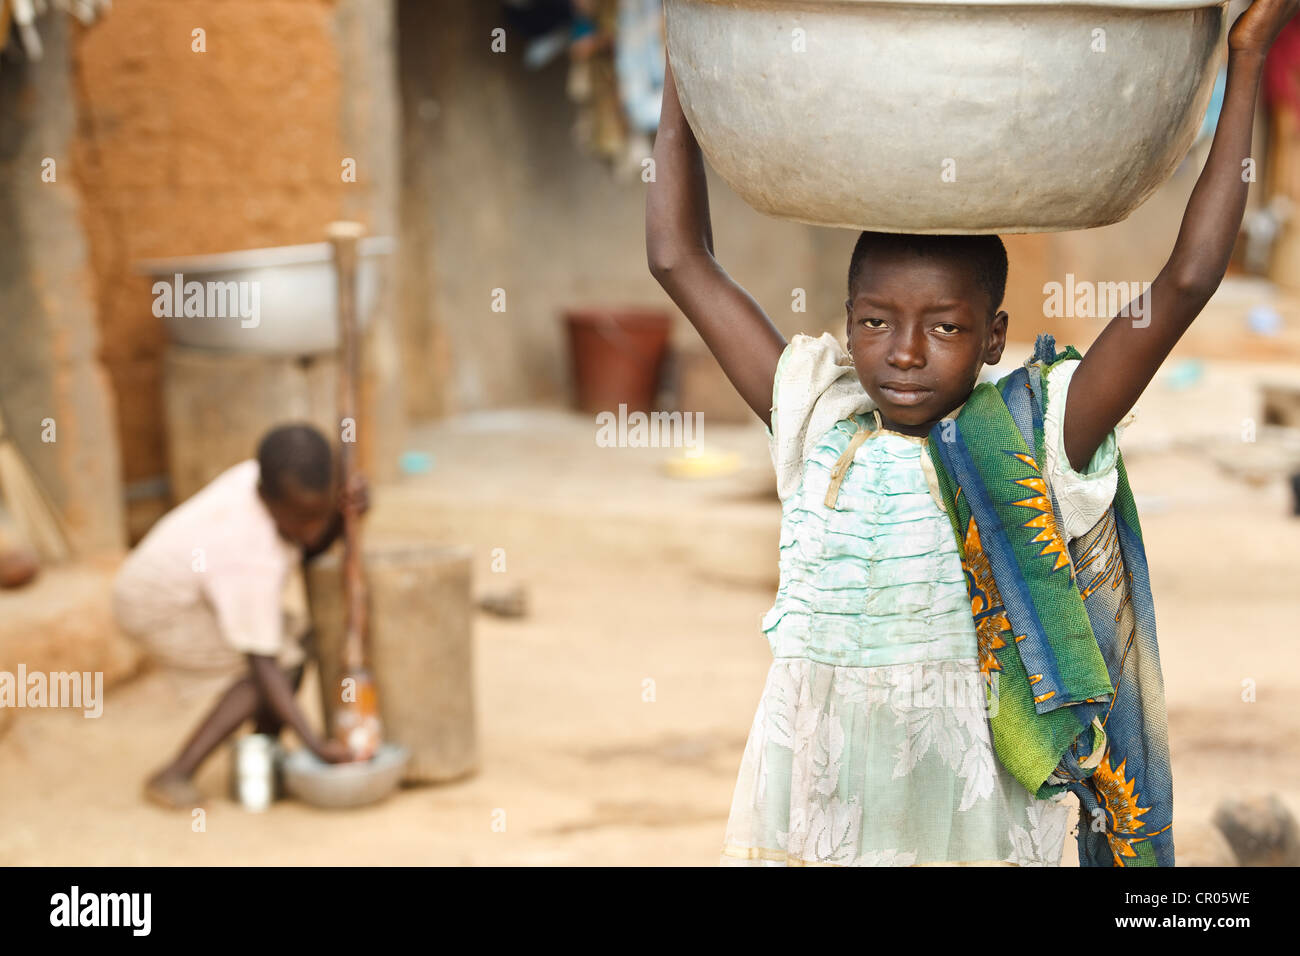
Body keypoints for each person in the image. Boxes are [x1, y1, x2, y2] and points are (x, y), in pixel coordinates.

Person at [646, 0, 1299, 866]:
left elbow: (1186, 280)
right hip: (818, 808)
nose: (904, 353)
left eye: (945, 328)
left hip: (976, 821)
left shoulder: (1034, 437)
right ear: (847, 323)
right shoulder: (820, 416)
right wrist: (686, 58)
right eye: (876, 322)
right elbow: (676, 257)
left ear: (994, 337)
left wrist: (1247, 54)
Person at [113, 424, 363, 809]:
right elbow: (261, 662)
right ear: (266, 498)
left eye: (322, 515)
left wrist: (352, 511)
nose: (312, 530)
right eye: (302, 520)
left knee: (290, 648)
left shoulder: (271, 482)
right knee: (269, 669)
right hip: (157, 605)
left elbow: (310, 545)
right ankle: (175, 774)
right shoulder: (247, 551)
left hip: (191, 588)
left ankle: (263, 753)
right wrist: (314, 744)